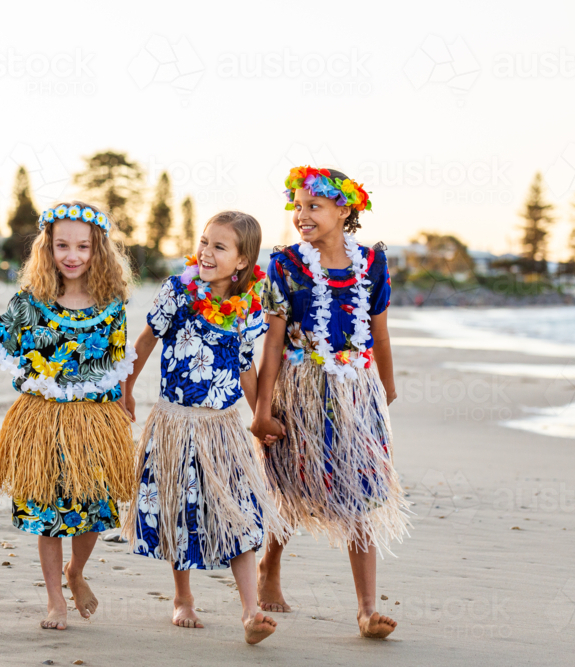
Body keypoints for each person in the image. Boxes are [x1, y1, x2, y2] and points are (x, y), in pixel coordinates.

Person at [0, 201, 136, 631]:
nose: (72, 255)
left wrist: (125, 404)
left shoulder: (112, 304)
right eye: (62, 245)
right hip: (41, 423)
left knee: (94, 509)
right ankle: (55, 600)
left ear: (98, 250)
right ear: (47, 248)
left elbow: (119, 361)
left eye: (83, 247)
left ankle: (76, 571)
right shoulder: (30, 302)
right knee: (46, 513)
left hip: (94, 422)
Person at [252, 166, 409, 639]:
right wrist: (263, 409)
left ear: (344, 210)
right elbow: (273, 343)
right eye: (297, 206)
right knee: (291, 486)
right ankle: (269, 564)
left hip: (356, 392)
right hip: (299, 389)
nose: (301, 215)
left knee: (360, 489)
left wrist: (386, 387)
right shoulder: (284, 266)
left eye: (313, 207)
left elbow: (379, 331)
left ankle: (366, 609)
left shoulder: (372, 264)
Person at [122, 211, 289, 645]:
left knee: (242, 511)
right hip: (175, 421)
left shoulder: (252, 304)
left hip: (222, 426)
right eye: (204, 242)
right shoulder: (178, 291)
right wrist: (127, 389)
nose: (206, 253)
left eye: (220, 246)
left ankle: (251, 612)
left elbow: (245, 365)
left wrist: (259, 415)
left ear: (242, 261)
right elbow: (145, 341)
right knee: (180, 510)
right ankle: (183, 598)